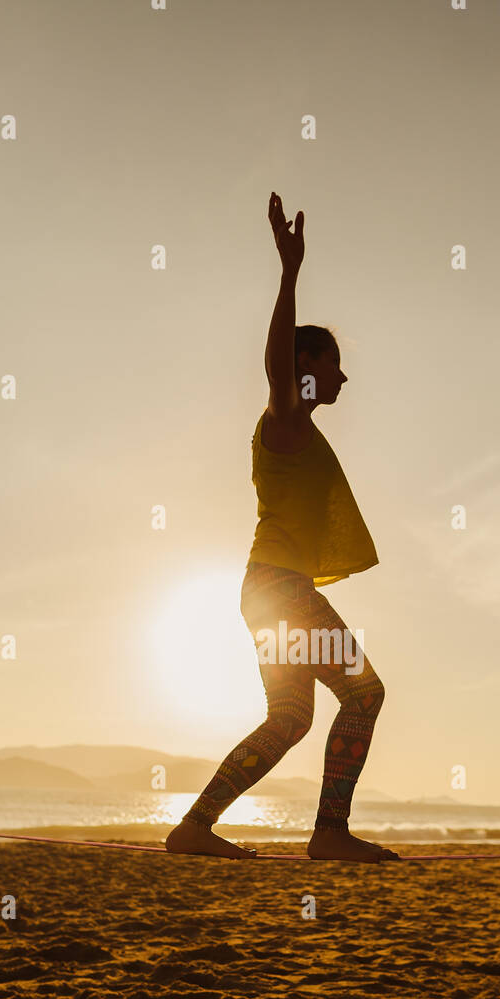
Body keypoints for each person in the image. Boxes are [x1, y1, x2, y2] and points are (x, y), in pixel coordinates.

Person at [166, 193, 397, 862]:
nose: (344, 375)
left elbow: (285, 370)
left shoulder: (301, 431)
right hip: (281, 590)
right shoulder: (288, 419)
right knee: (364, 693)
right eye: (332, 362)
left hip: (267, 589)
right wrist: (290, 271)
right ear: (307, 367)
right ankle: (328, 834)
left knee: (292, 718)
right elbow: (276, 366)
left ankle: (194, 829)